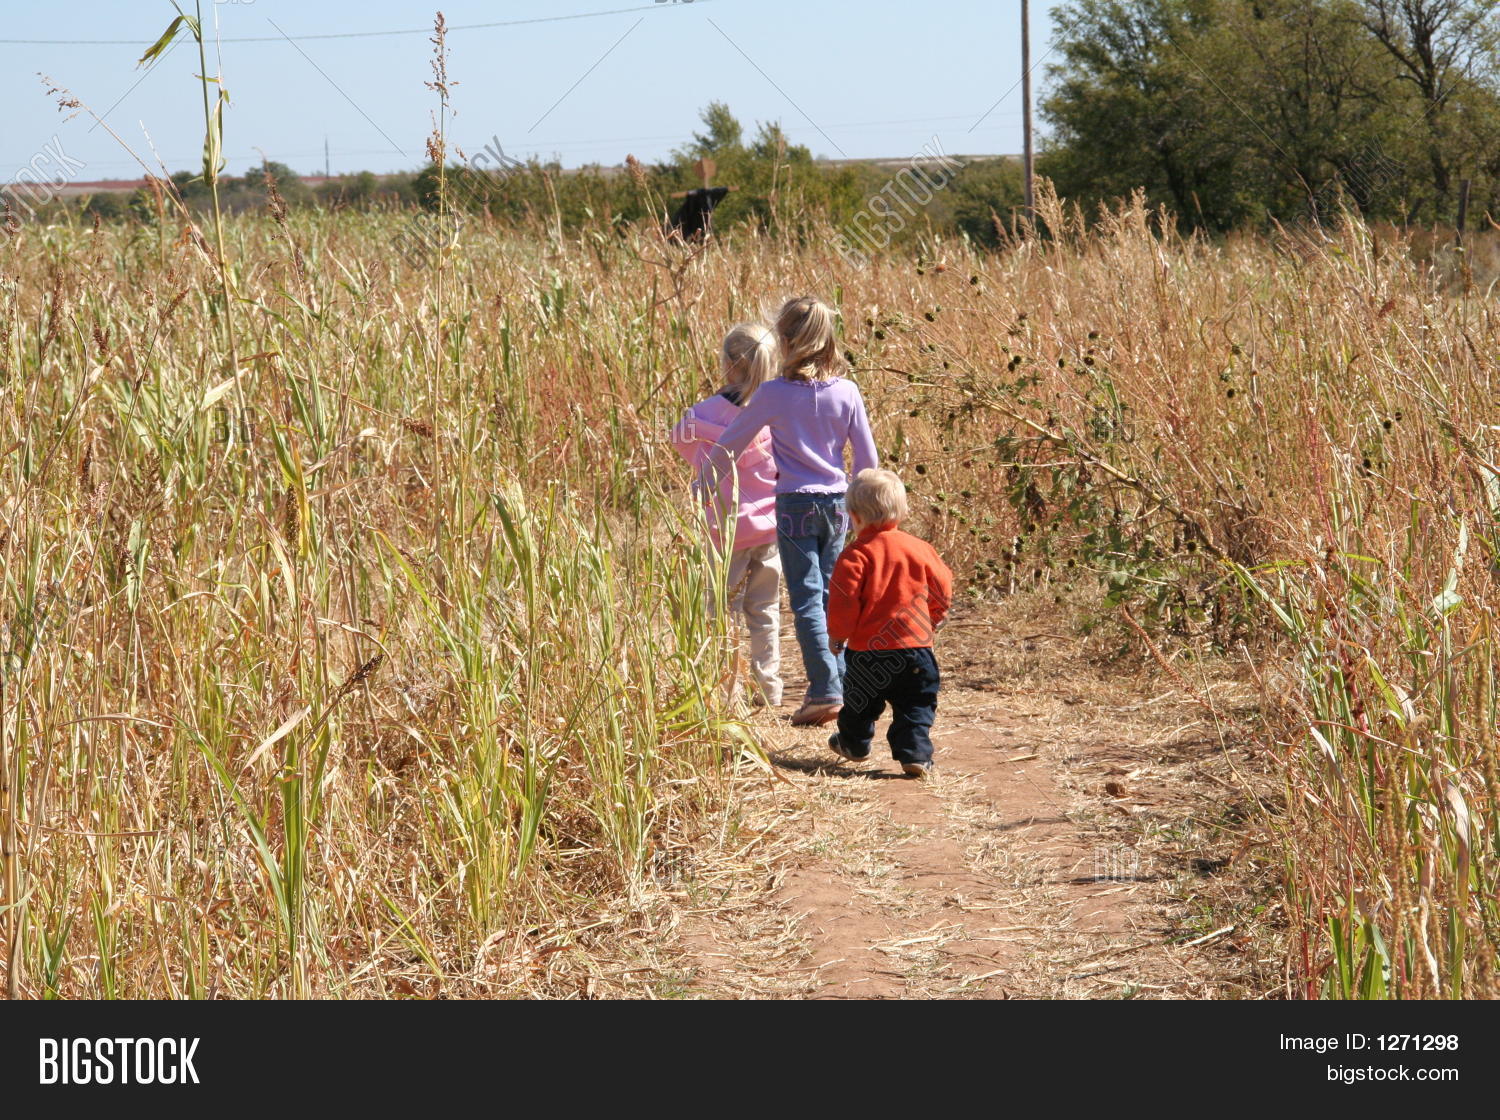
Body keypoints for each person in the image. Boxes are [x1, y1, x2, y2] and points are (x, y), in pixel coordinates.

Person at [704, 297, 877, 727]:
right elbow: (868, 462)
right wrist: (865, 514)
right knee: (833, 596)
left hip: (795, 504)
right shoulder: (847, 391)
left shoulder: (774, 394)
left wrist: (703, 485)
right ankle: (842, 684)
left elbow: (731, 443)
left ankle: (824, 691)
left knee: (805, 602)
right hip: (838, 505)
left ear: (785, 341)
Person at [672, 323, 784, 708]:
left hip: (726, 532)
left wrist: (707, 446)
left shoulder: (703, 412)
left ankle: (728, 691)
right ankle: (768, 688)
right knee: (764, 610)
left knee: (723, 612)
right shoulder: (774, 414)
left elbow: (678, 439)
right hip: (770, 530)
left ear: (727, 364)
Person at [825, 469, 952, 779]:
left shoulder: (855, 556)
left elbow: (844, 603)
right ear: (903, 510)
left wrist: (838, 635)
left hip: (869, 651)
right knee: (916, 704)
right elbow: (943, 589)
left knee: (860, 703)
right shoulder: (921, 549)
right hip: (916, 649)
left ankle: (853, 744)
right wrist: (930, 620)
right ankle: (916, 754)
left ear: (853, 515)